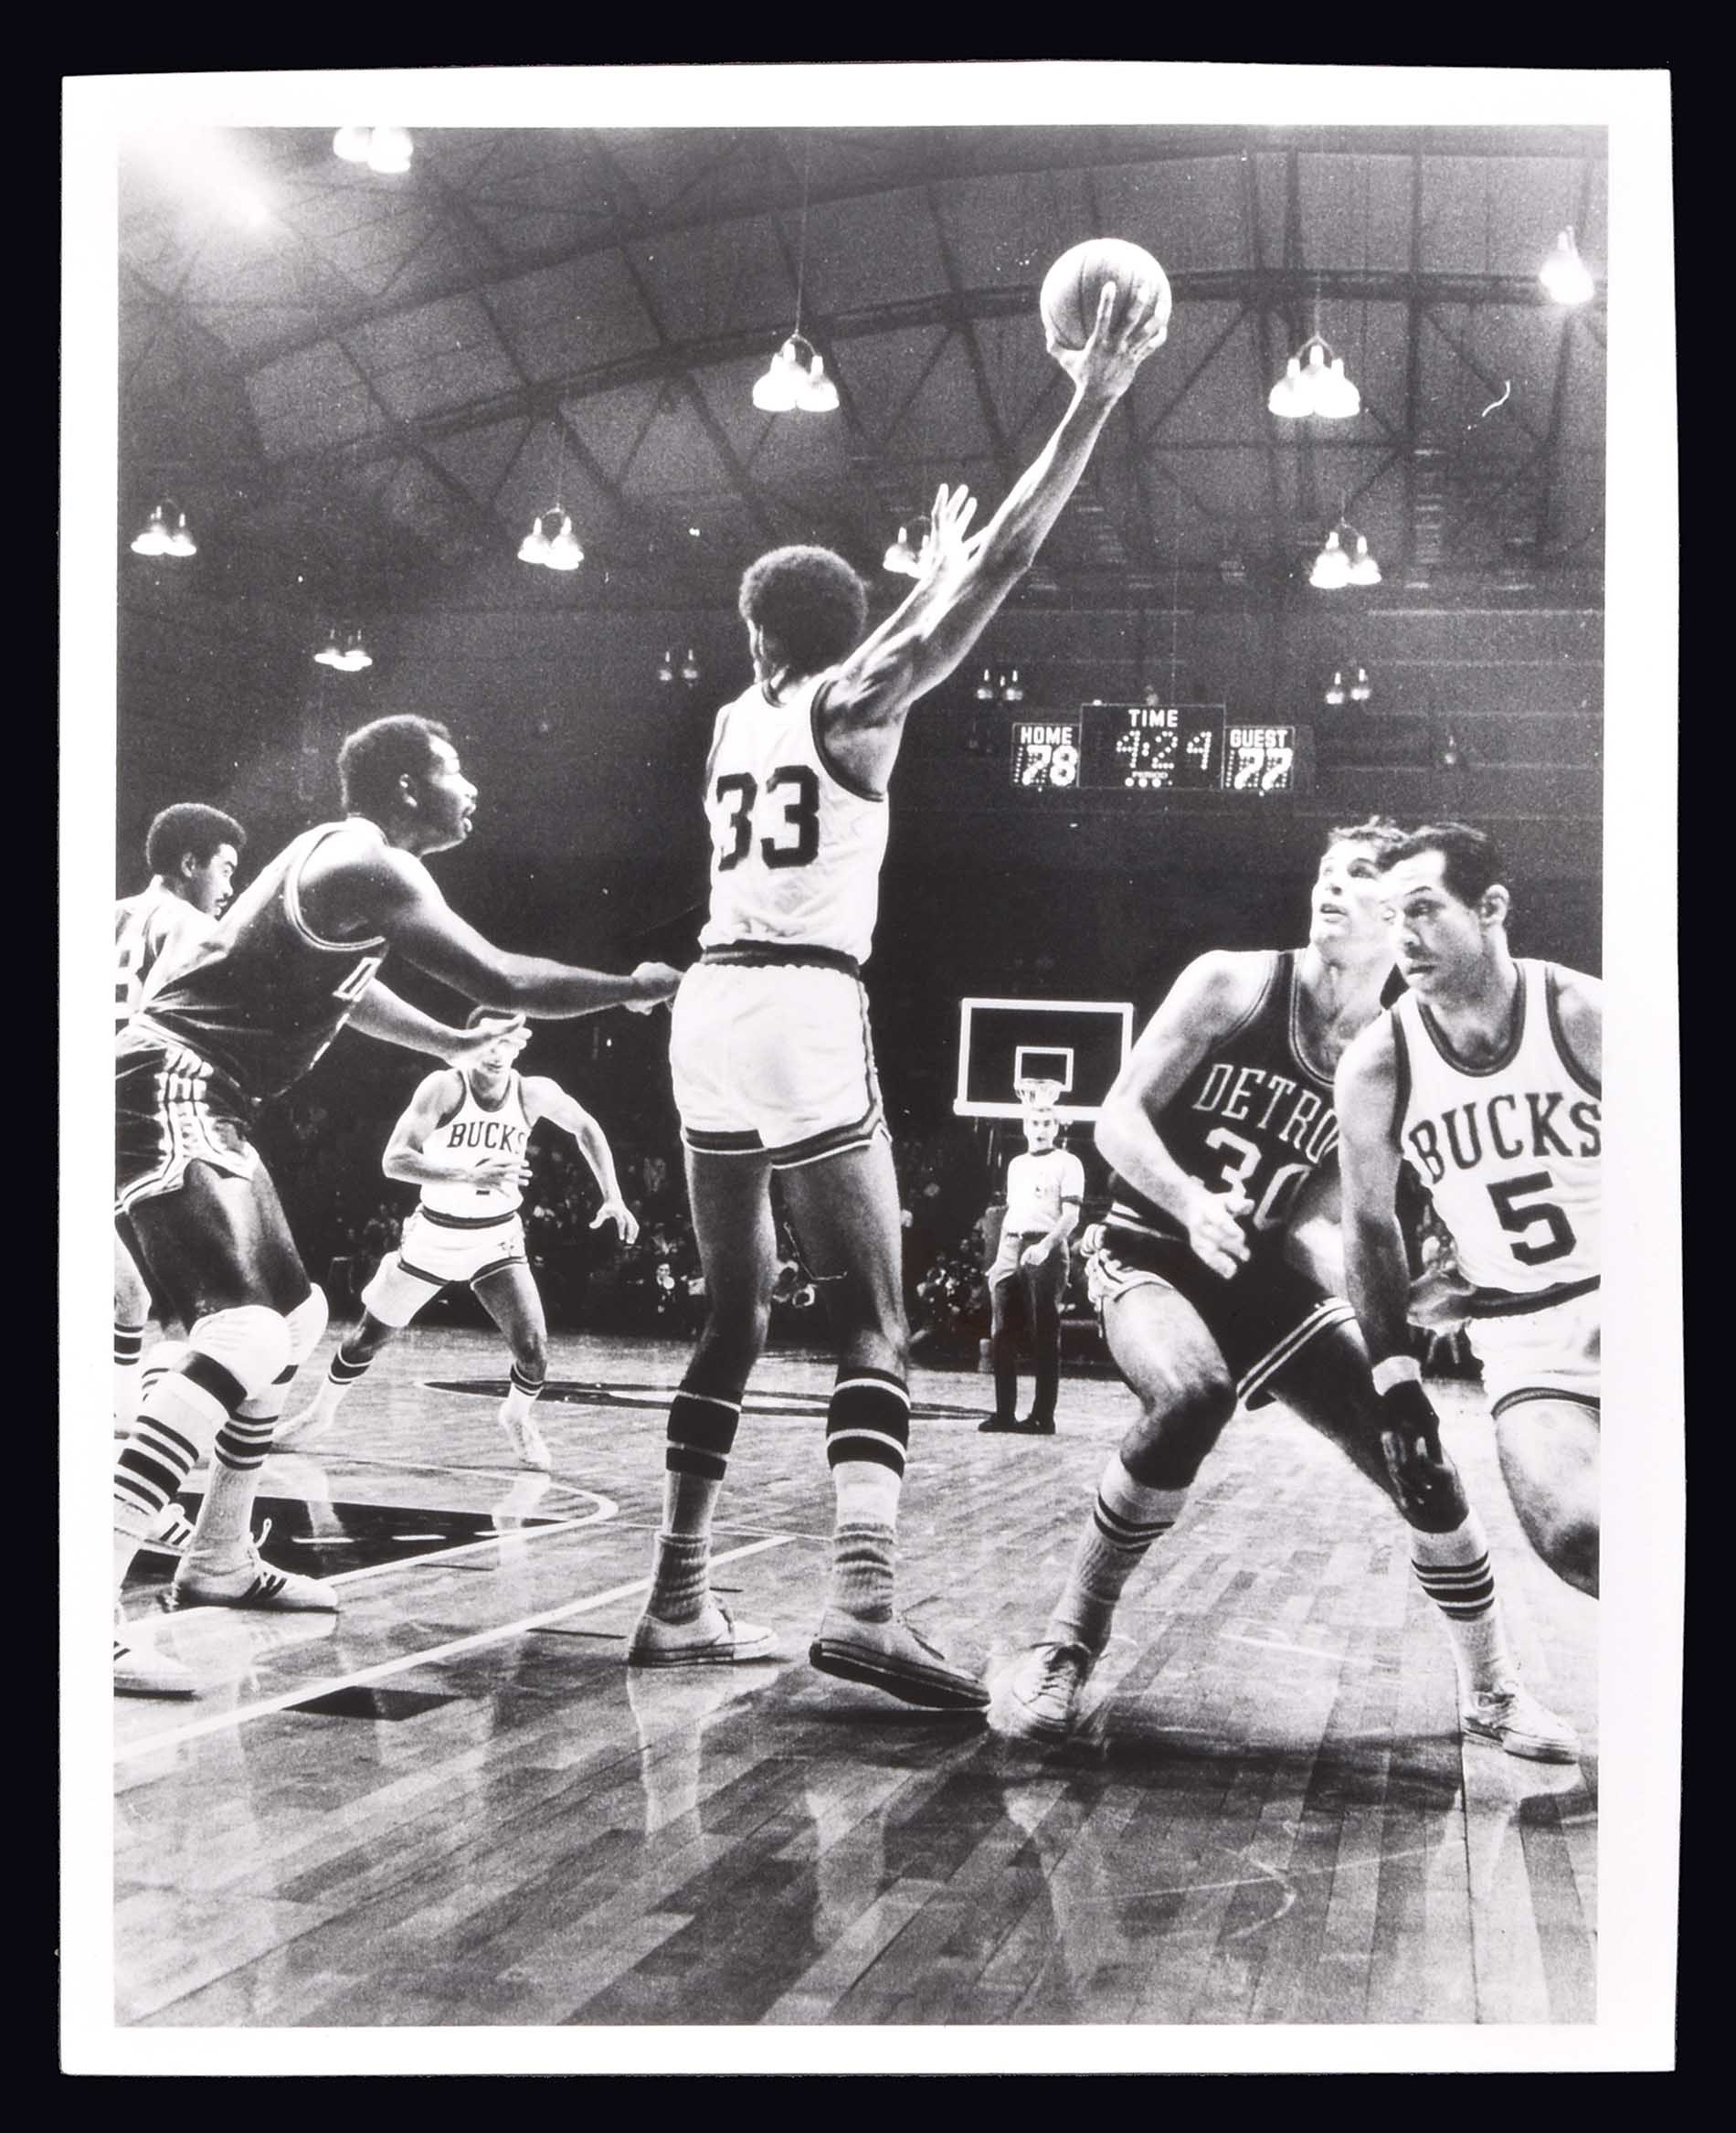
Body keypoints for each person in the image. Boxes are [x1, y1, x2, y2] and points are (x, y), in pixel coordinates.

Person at [627, 278, 1170, 1710]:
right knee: (875, 1318)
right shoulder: (852, 703)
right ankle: (865, 1605)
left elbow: (888, 632)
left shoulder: (733, 719)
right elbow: (1001, 565)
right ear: (842, 636)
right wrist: (1090, 399)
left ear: (755, 633)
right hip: (803, 1004)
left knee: (732, 1318)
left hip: (706, 1005)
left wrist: (913, 590)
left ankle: (677, 1597)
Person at [111, 714, 681, 1695]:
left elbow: (347, 994)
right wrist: (630, 986)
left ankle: (219, 1557)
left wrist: (451, 1045)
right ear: (409, 786)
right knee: (244, 1330)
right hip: (171, 1081)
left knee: (297, 1319)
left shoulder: (341, 867)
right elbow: (501, 977)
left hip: (202, 1089)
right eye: (456, 771)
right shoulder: (370, 862)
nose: (473, 789)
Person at [1001, 820, 1577, 1761]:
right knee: (1192, 1394)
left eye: (1357, 877)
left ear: (1399, 914)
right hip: (1153, 1247)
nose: (1330, 888)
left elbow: (1316, 1220)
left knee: (1418, 1452)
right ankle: (1066, 1644)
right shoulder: (1232, 982)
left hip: (1265, 1277)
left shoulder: (1387, 1054)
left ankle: (1493, 1688)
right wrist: (1189, 1203)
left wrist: (1397, 1304)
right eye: (1324, 872)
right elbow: (1117, 1118)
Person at [1335, 822, 1601, 1597]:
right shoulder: (1379, 1062)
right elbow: (1370, 1227)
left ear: (1490, 907)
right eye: (1391, 916)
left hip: (1647, 1302)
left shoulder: (1586, 1015)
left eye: (1423, 908)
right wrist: (1397, 1383)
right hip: (1528, 1338)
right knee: (1581, 1537)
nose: (1403, 936)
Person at [278, 1009, 640, 1470]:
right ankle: (319, 1413)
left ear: (520, 1045)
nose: (496, 1052)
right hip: (434, 1236)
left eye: (505, 1043)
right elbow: (394, 1160)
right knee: (366, 1340)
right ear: (468, 1041)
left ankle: (516, 1416)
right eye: (486, 1041)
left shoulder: (533, 1092)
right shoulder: (444, 1087)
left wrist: (614, 1196)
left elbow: (586, 1126)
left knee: (534, 1352)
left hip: (496, 1238)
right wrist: (468, 1174)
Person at [112, 804, 247, 1577]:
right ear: (191, 863)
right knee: (221, 1321)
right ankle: (128, 1491)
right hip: (132, 1115)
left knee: (127, 1301)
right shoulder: (190, 927)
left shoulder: (101, 914)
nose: (229, 886)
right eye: (225, 868)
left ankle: (120, 1461)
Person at [979, 1097, 1084, 1434]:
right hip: (1011, 1245)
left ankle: (1042, 1416)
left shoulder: (1069, 1163)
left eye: (1046, 1123)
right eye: (1034, 1123)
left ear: (1056, 1128)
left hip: (1045, 1246)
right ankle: (1004, 1413)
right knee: (1001, 1333)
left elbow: (1071, 1216)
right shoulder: (1016, 1165)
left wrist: (1045, 1246)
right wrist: (1000, 1259)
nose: (1040, 1129)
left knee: (1044, 1331)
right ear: (1025, 1127)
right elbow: (1013, 1212)